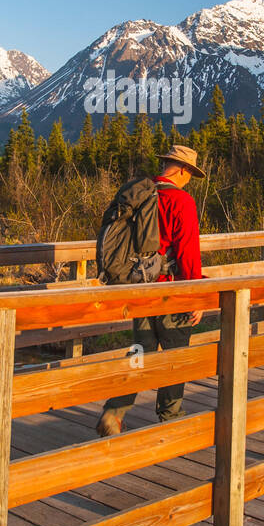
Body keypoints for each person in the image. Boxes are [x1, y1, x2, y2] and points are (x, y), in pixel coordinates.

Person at [95, 144, 207, 437]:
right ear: (183, 170)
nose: (189, 180)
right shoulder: (181, 201)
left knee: (140, 351)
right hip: (170, 290)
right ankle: (171, 416)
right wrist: (196, 294)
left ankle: (114, 412)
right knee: (175, 355)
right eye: (190, 174)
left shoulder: (139, 194)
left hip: (140, 287)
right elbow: (187, 254)